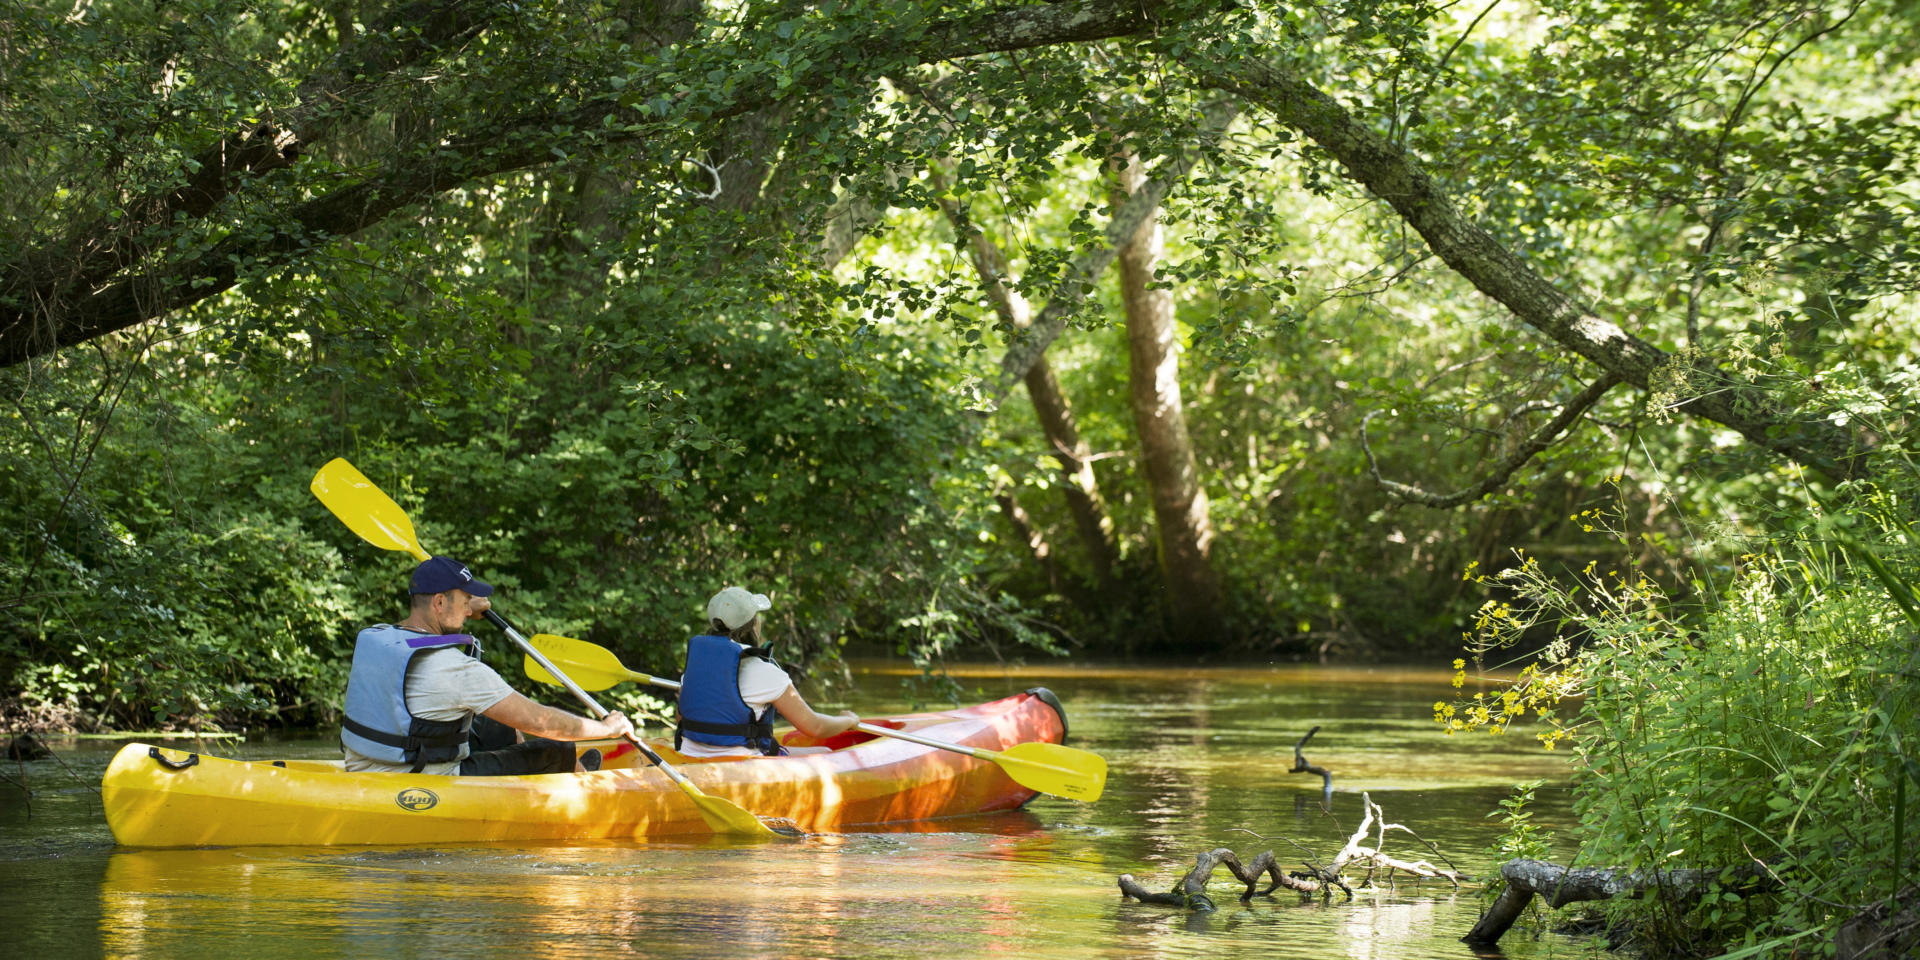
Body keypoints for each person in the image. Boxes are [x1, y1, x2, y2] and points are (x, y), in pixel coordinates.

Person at [340, 555, 633, 775]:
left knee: (496, 726)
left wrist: (464, 605)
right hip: (423, 777)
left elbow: (441, 615)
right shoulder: (456, 669)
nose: (469, 610)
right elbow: (541, 721)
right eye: (465, 601)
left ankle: (567, 769)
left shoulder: (378, 637)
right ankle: (578, 778)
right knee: (557, 748)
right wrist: (605, 728)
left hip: (370, 762)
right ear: (439, 603)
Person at [674, 586, 859, 757]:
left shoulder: (696, 668)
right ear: (754, 624)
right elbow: (816, 727)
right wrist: (848, 721)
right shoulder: (764, 672)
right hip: (742, 765)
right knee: (826, 752)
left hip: (691, 758)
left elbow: (682, 719)